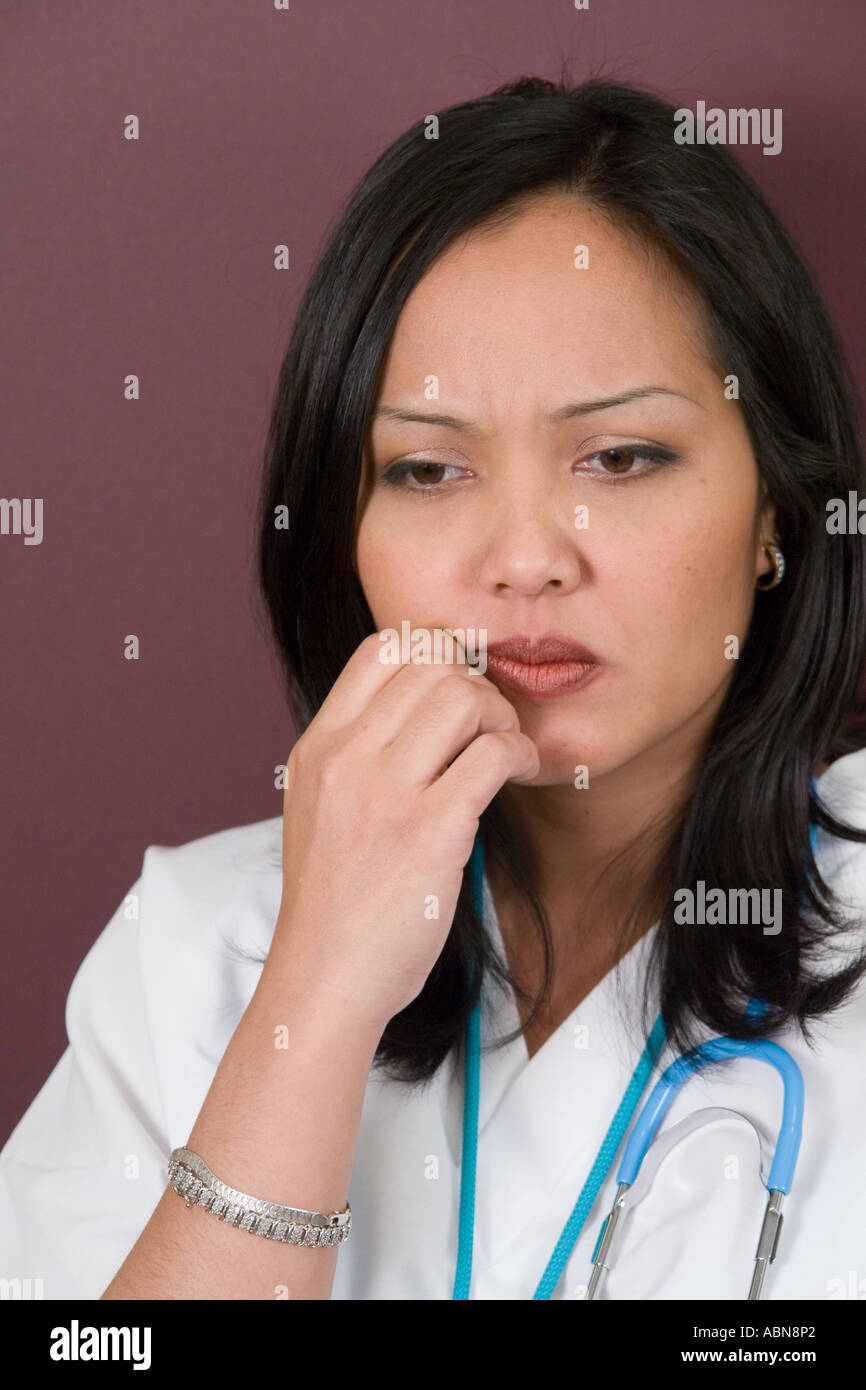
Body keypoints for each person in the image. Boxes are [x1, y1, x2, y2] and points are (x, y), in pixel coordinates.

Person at [3, 74, 866, 1302]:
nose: (525, 558)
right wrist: (313, 993)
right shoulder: (195, 946)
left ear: (774, 508)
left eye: (620, 457)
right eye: (425, 470)